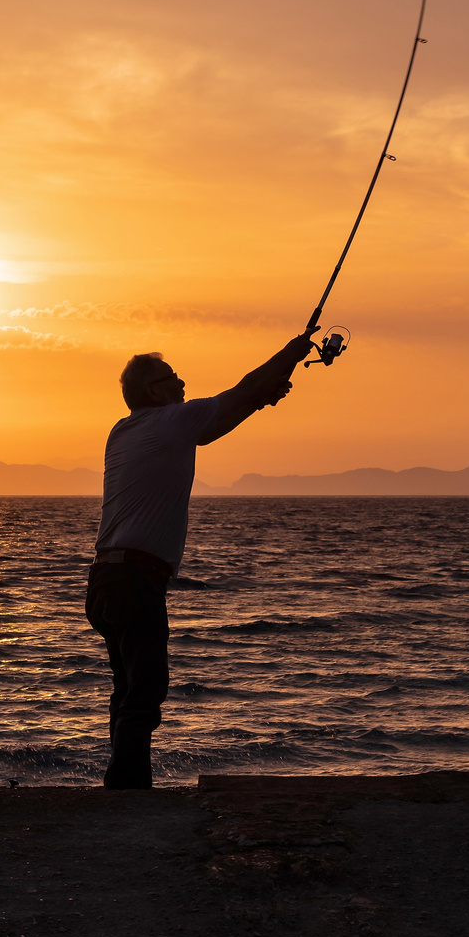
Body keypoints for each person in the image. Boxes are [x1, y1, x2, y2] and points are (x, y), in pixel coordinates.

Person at [86, 327, 318, 788]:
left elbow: (227, 415)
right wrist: (292, 352)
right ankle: (126, 795)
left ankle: (122, 791)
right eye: (174, 377)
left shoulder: (125, 430)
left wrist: (258, 399)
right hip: (136, 581)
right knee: (145, 691)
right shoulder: (172, 421)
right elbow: (241, 392)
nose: (183, 383)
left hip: (105, 581)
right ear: (154, 389)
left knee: (128, 690)